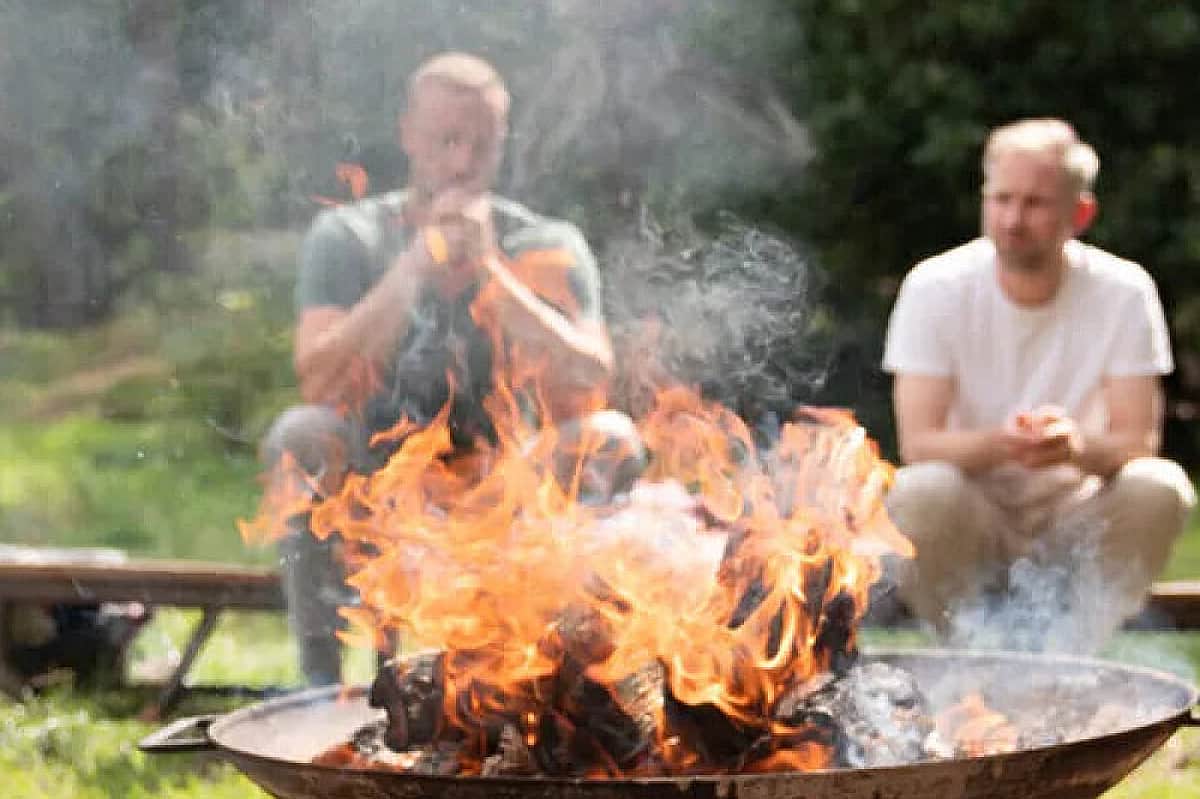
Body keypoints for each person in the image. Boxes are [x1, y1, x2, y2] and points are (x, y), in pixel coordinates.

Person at [260, 52, 643, 686]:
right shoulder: (348, 236)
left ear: (503, 145)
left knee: (609, 437)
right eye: (445, 141)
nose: (462, 163)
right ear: (408, 134)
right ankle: (318, 690)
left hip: (508, 484)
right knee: (299, 433)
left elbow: (592, 376)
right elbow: (317, 377)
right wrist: (411, 270)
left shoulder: (543, 243)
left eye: (481, 146)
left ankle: (575, 679)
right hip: (375, 483)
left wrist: (492, 275)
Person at [881, 118, 1195, 651]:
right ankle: (975, 659)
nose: (1012, 219)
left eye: (1035, 203)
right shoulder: (933, 287)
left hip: (1075, 521)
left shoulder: (1124, 290)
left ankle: (1068, 660)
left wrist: (1072, 446)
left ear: (1081, 212)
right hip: (972, 517)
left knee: (1160, 486)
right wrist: (1006, 444)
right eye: (1001, 199)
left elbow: (1137, 442)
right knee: (918, 490)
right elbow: (919, 443)